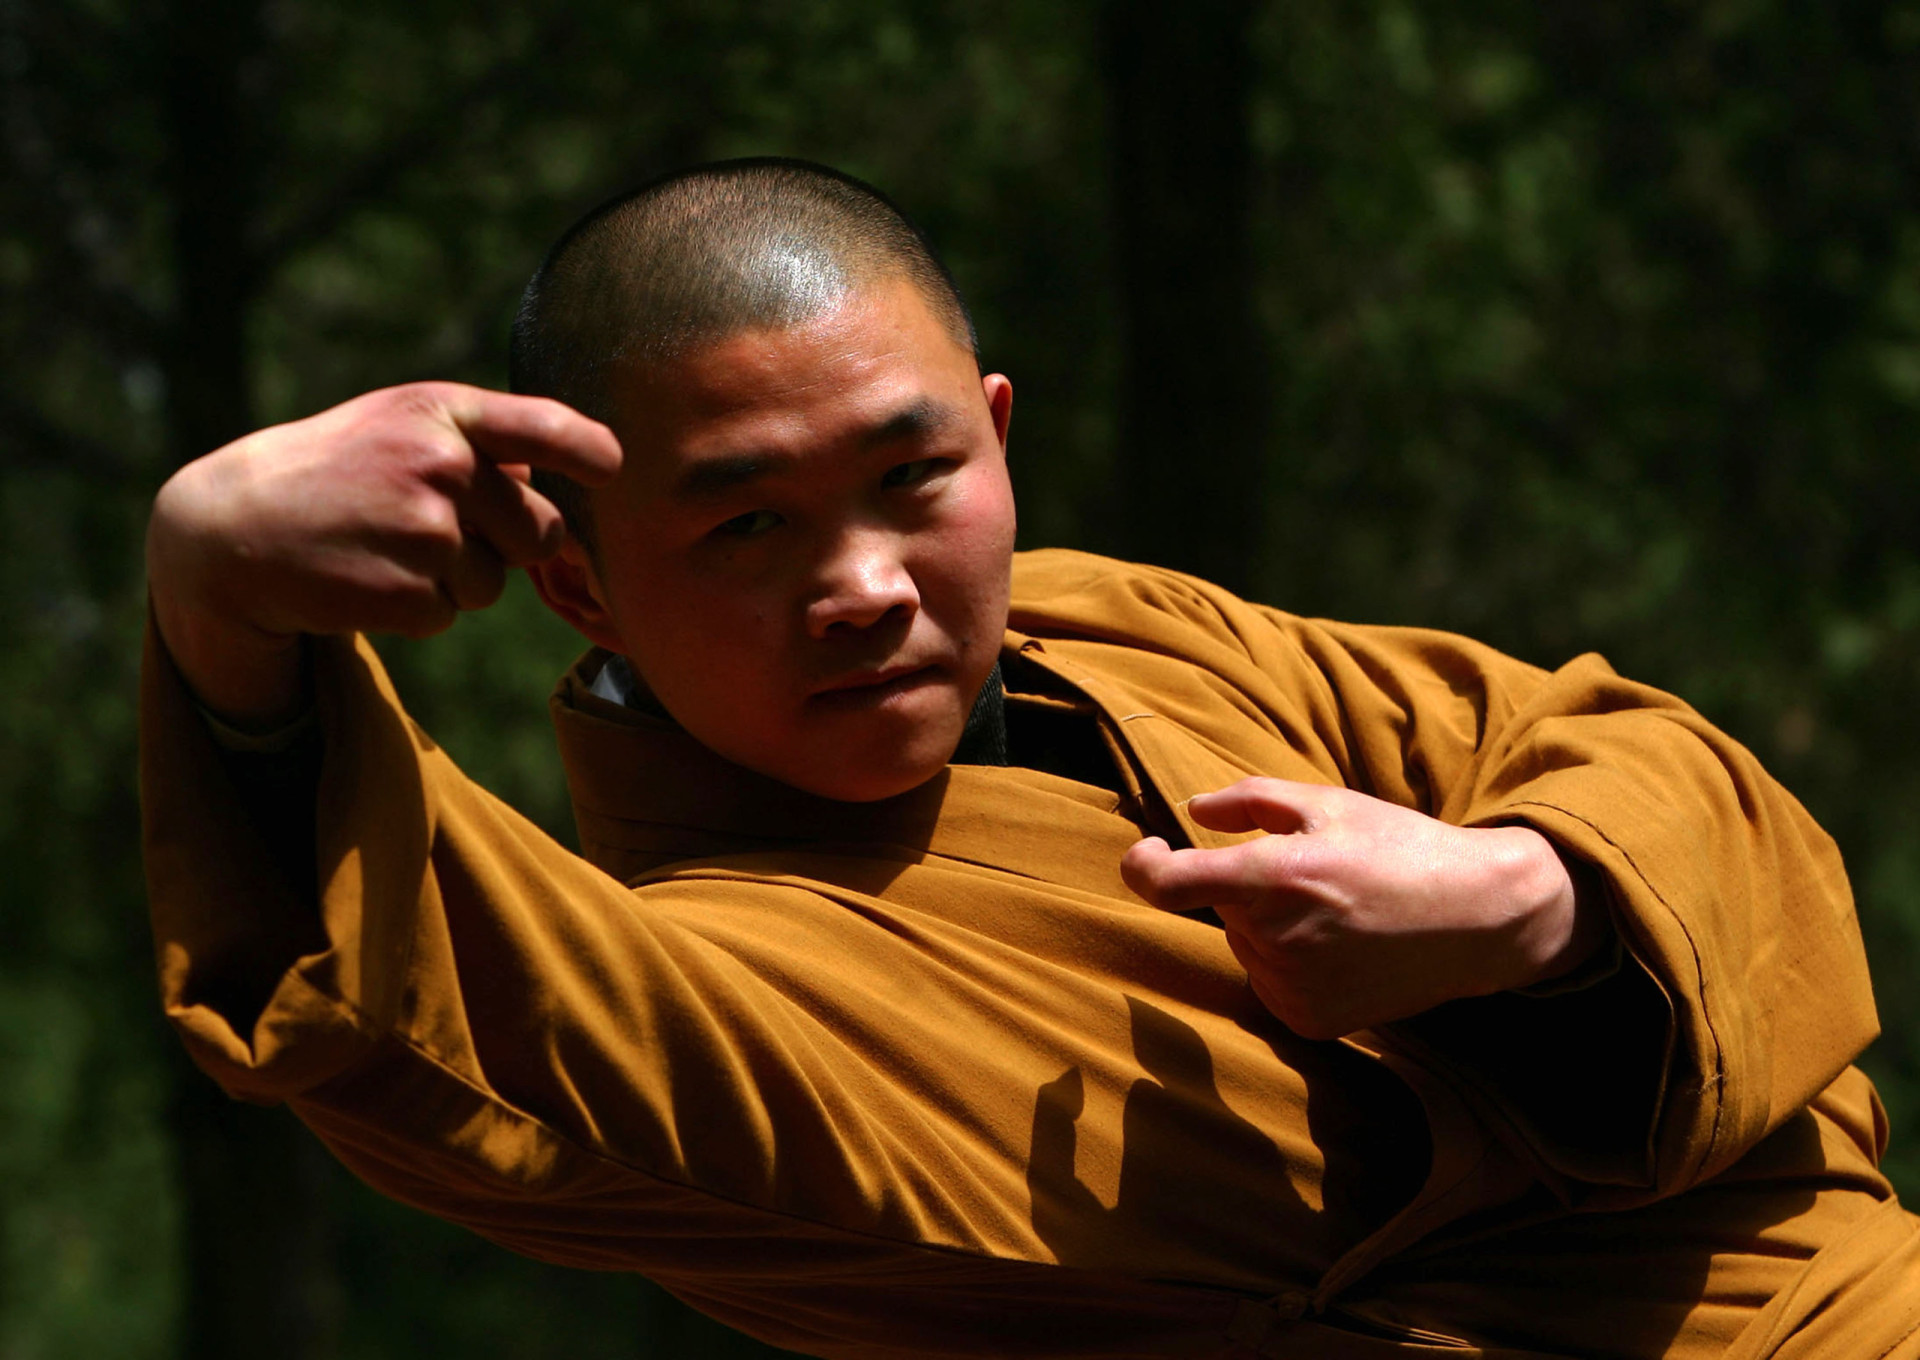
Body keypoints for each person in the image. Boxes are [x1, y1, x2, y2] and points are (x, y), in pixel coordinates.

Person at [140, 159, 1918, 1358]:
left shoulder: (1133, 626)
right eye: (746, 525)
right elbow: (433, 1005)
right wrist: (229, 619)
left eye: (911, 479)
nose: (862, 585)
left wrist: (1524, 901)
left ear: (997, 439)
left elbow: (1644, 761)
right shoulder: (715, 970)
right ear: (579, 579)